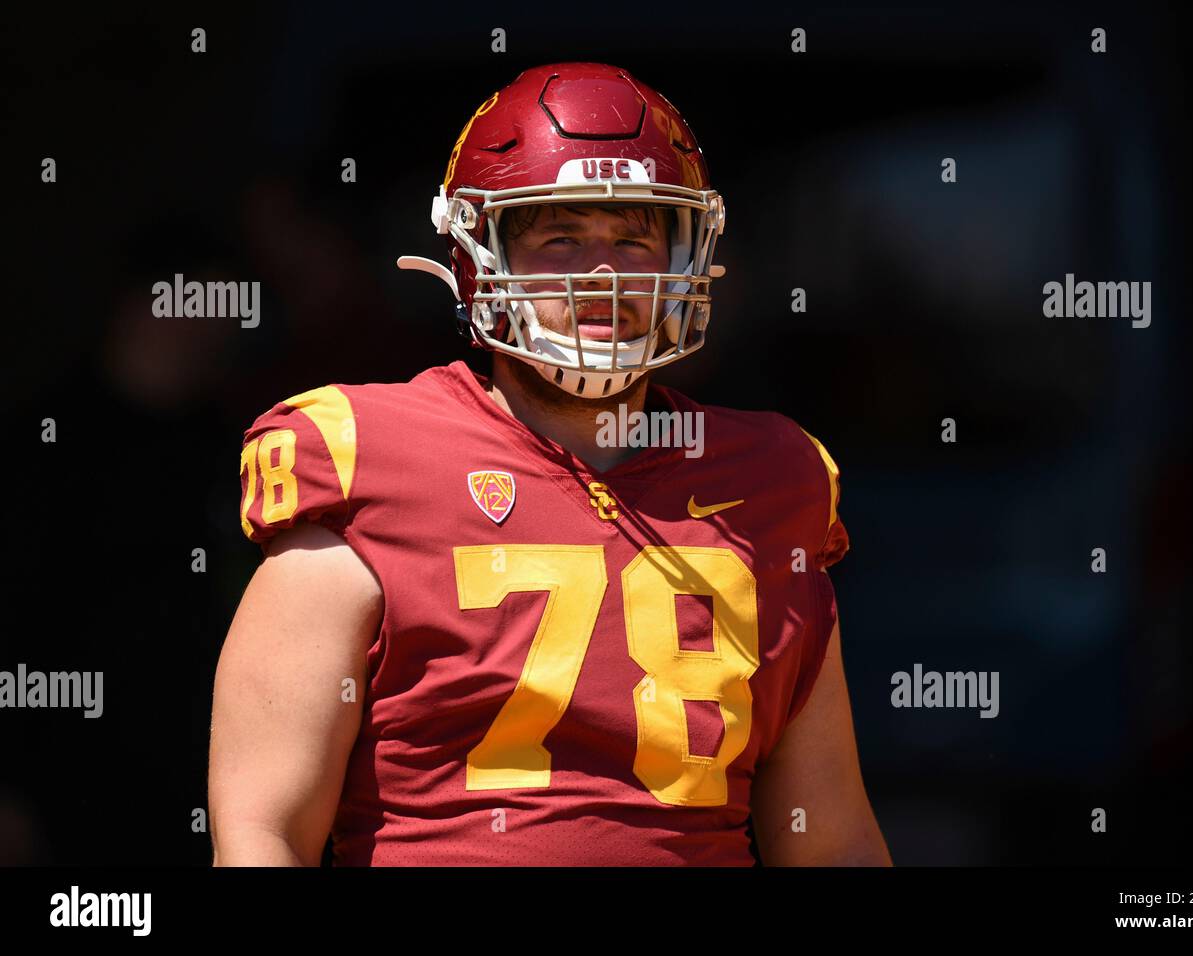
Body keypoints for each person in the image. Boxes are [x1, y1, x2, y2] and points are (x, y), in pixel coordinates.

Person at [209, 62, 891, 866]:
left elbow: (831, 835)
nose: (602, 274)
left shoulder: (771, 482)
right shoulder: (365, 462)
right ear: (479, 254)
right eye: (559, 237)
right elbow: (263, 833)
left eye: (636, 238)